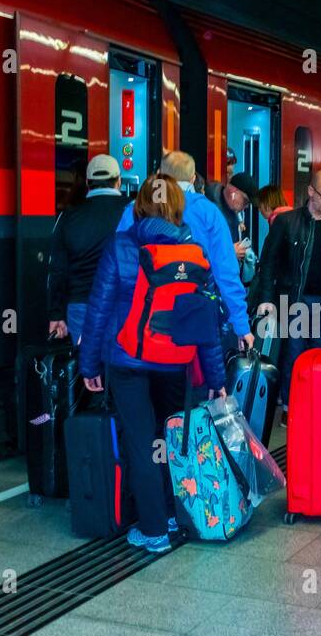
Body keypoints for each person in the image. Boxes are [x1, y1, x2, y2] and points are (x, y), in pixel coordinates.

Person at [79, 174, 228, 553]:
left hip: (128, 362)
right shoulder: (195, 253)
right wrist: (216, 376)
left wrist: (89, 365)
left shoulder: (121, 247)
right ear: (178, 207)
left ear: (139, 205)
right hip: (175, 363)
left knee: (141, 442)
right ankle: (176, 514)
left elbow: (97, 311)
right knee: (169, 439)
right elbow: (206, 323)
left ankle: (153, 530)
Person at [115, 151, 254, 350]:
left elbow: (119, 266)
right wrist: (241, 325)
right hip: (193, 315)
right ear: (193, 178)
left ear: (159, 174)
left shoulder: (135, 208)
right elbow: (226, 273)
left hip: (141, 316)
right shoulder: (209, 212)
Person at [253, 169, 321, 402]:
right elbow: (268, 263)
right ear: (310, 191)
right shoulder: (286, 222)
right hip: (294, 302)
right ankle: (292, 407)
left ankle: (316, 408)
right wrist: (266, 300)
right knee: (293, 359)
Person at [47, 154, 125, 343]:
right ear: (119, 181)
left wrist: (56, 314)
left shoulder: (67, 217)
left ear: (88, 183)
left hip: (81, 306)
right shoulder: (133, 211)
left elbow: (57, 269)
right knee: (121, 368)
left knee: (88, 367)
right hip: (123, 304)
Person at [211, 171, 259, 283]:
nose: (246, 206)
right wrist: (229, 251)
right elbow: (199, 250)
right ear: (234, 192)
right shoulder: (210, 210)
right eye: (245, 201)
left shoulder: (233, 214)